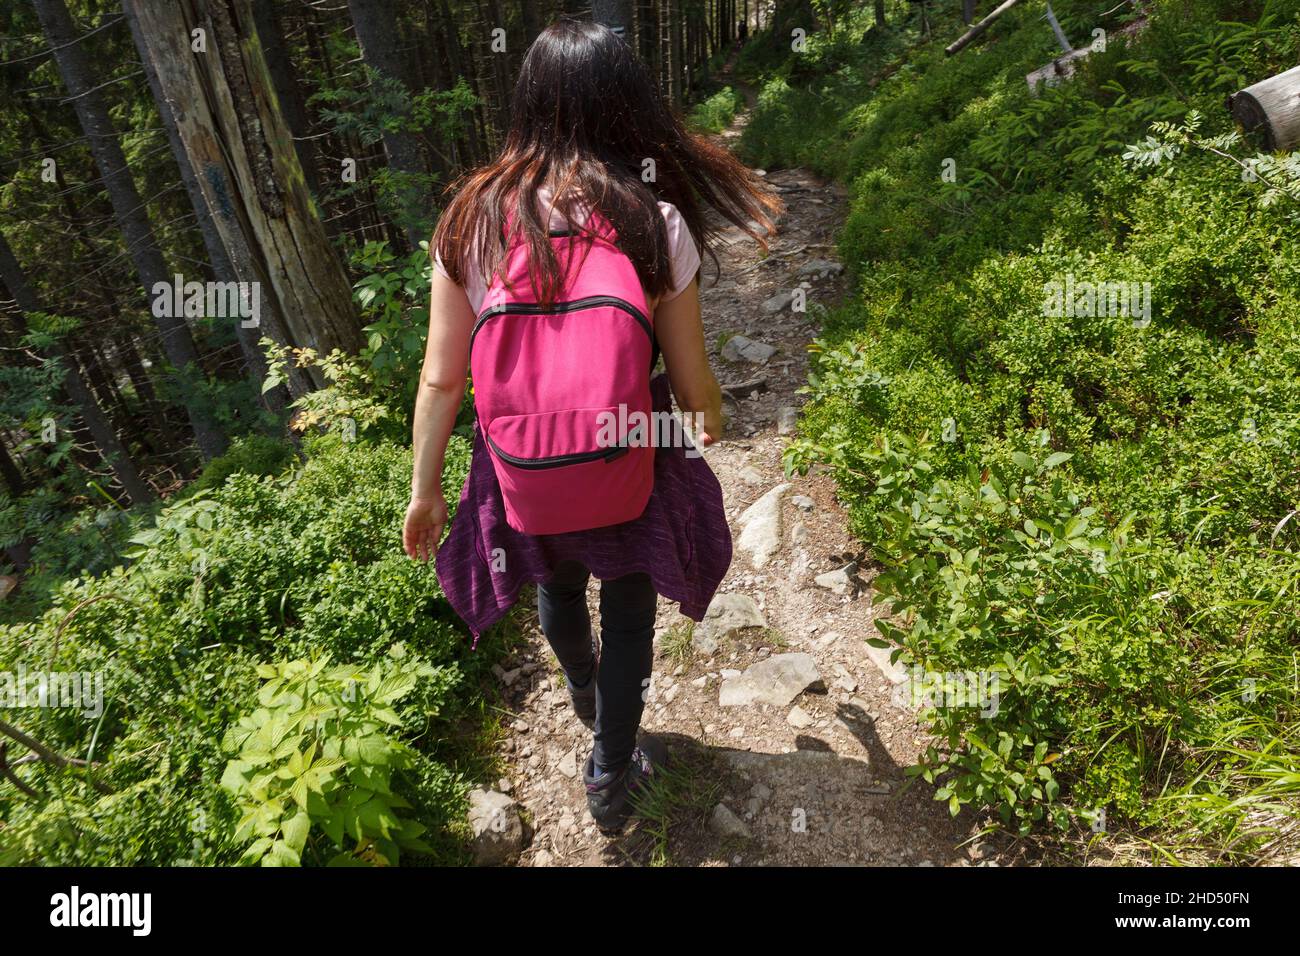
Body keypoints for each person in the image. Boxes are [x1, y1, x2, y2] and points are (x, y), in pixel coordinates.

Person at [403, 18, 781, 835]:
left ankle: (581, 689)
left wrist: (425, 491)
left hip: (520, 463)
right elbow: (691, 384)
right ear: (628, 105)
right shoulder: (653, 219)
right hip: (628, 454)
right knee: (631, 607)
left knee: (557, 583)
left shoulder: (470, 220)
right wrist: (707, 428)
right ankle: (612, 769)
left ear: (529, 101)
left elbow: (441, 378)